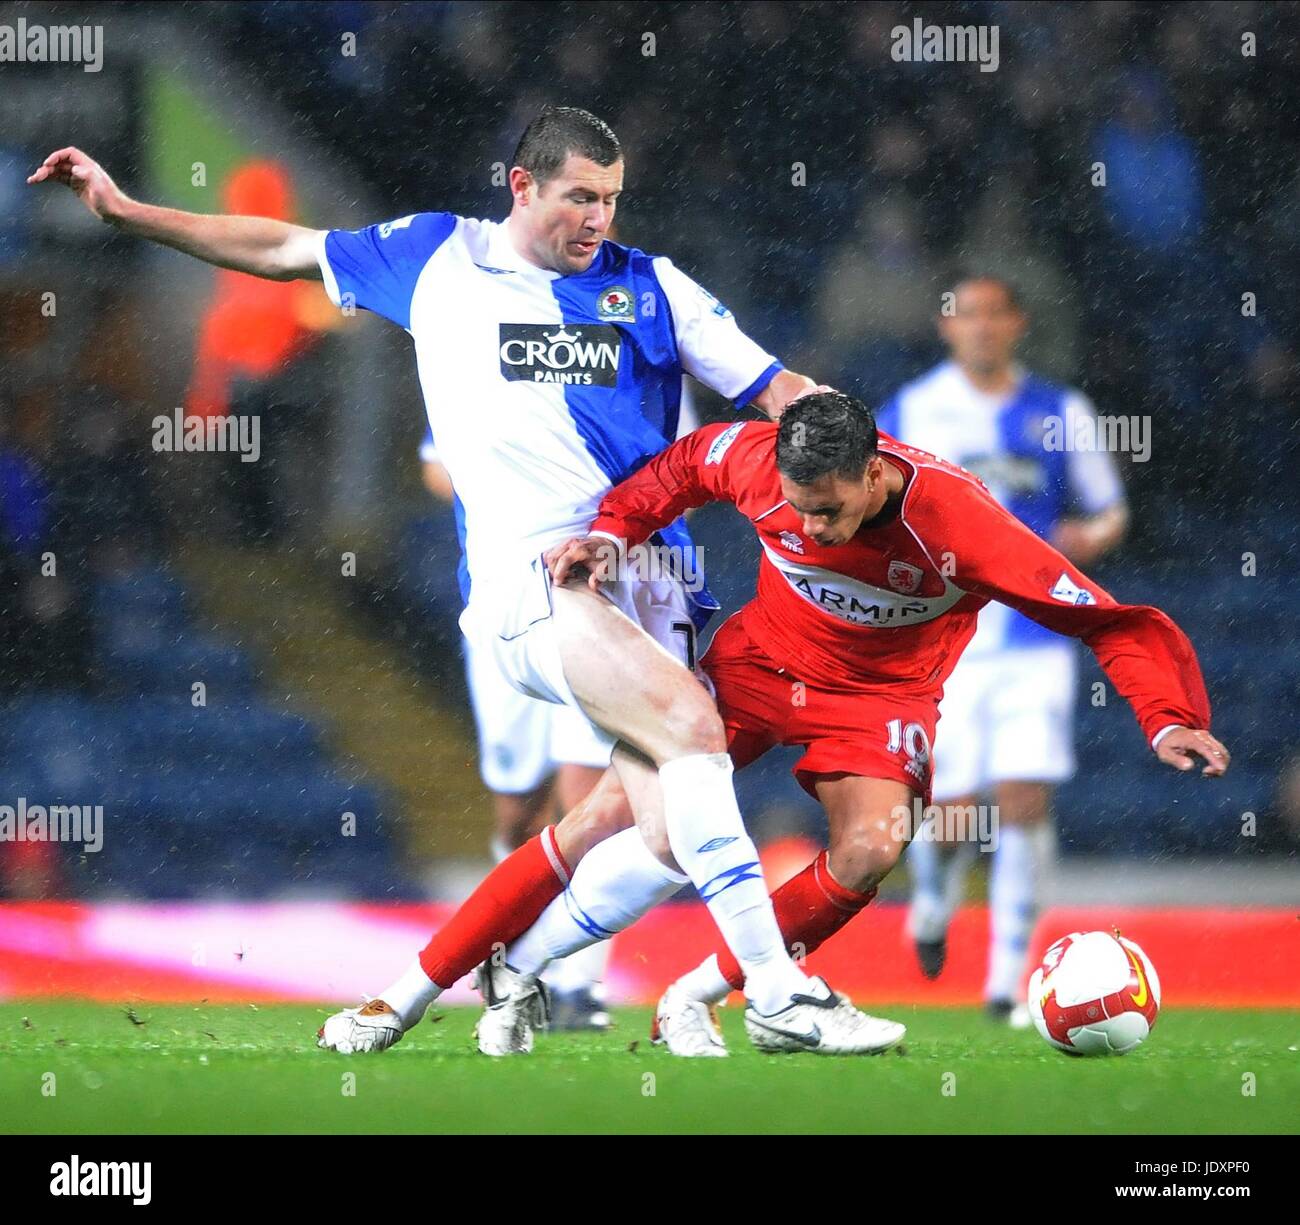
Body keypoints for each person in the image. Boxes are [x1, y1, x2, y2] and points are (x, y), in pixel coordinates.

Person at [30, 106, 881, 1055]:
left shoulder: (654, 288)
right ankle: (776, 990)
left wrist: (876, 460)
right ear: (522, 185)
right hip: (539, 585)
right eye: (579, 197)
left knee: (662, 829)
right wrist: (132, 211)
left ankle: (447, 986)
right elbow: (281, 245)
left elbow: (778, 390)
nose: (599, 219)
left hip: (656, 590)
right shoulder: (437, 256)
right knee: (689, 732)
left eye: (612, 200)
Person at [461, 391, 1227, 1056]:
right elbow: (685, 465)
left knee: (870, 849)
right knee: (613, 808)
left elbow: (1104, 618)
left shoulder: (962, 522)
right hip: (762, 663)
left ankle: (705, 994)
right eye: (798, 507)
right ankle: (513, 966)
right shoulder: (761, 460)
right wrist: (614, 529)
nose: (811, 526)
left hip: (881, 696)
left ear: (873, 473)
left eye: (826, 510)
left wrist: (1169, 717)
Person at [875, 274, 1129, 1023]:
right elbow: (875, 507)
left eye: (995, 313)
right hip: (948, 636)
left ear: (1017, 323)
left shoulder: (1061, 410)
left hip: (1035, 632)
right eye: (967, 315)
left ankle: (1009, 984)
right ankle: (930, 896)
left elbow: (1108, 508)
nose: (982, 327)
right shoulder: (914, 409)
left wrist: (1090, 536)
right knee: (951, 811)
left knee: (1023, 796)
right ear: (945, 326)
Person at [419, 426, 611, 1029]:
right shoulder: (486, 363)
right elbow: (435, 466)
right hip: (504, 609)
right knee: (519, 808)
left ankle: (579, 986)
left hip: (599, 603)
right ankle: (509, 952)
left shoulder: (616, 361)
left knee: (591, 803)